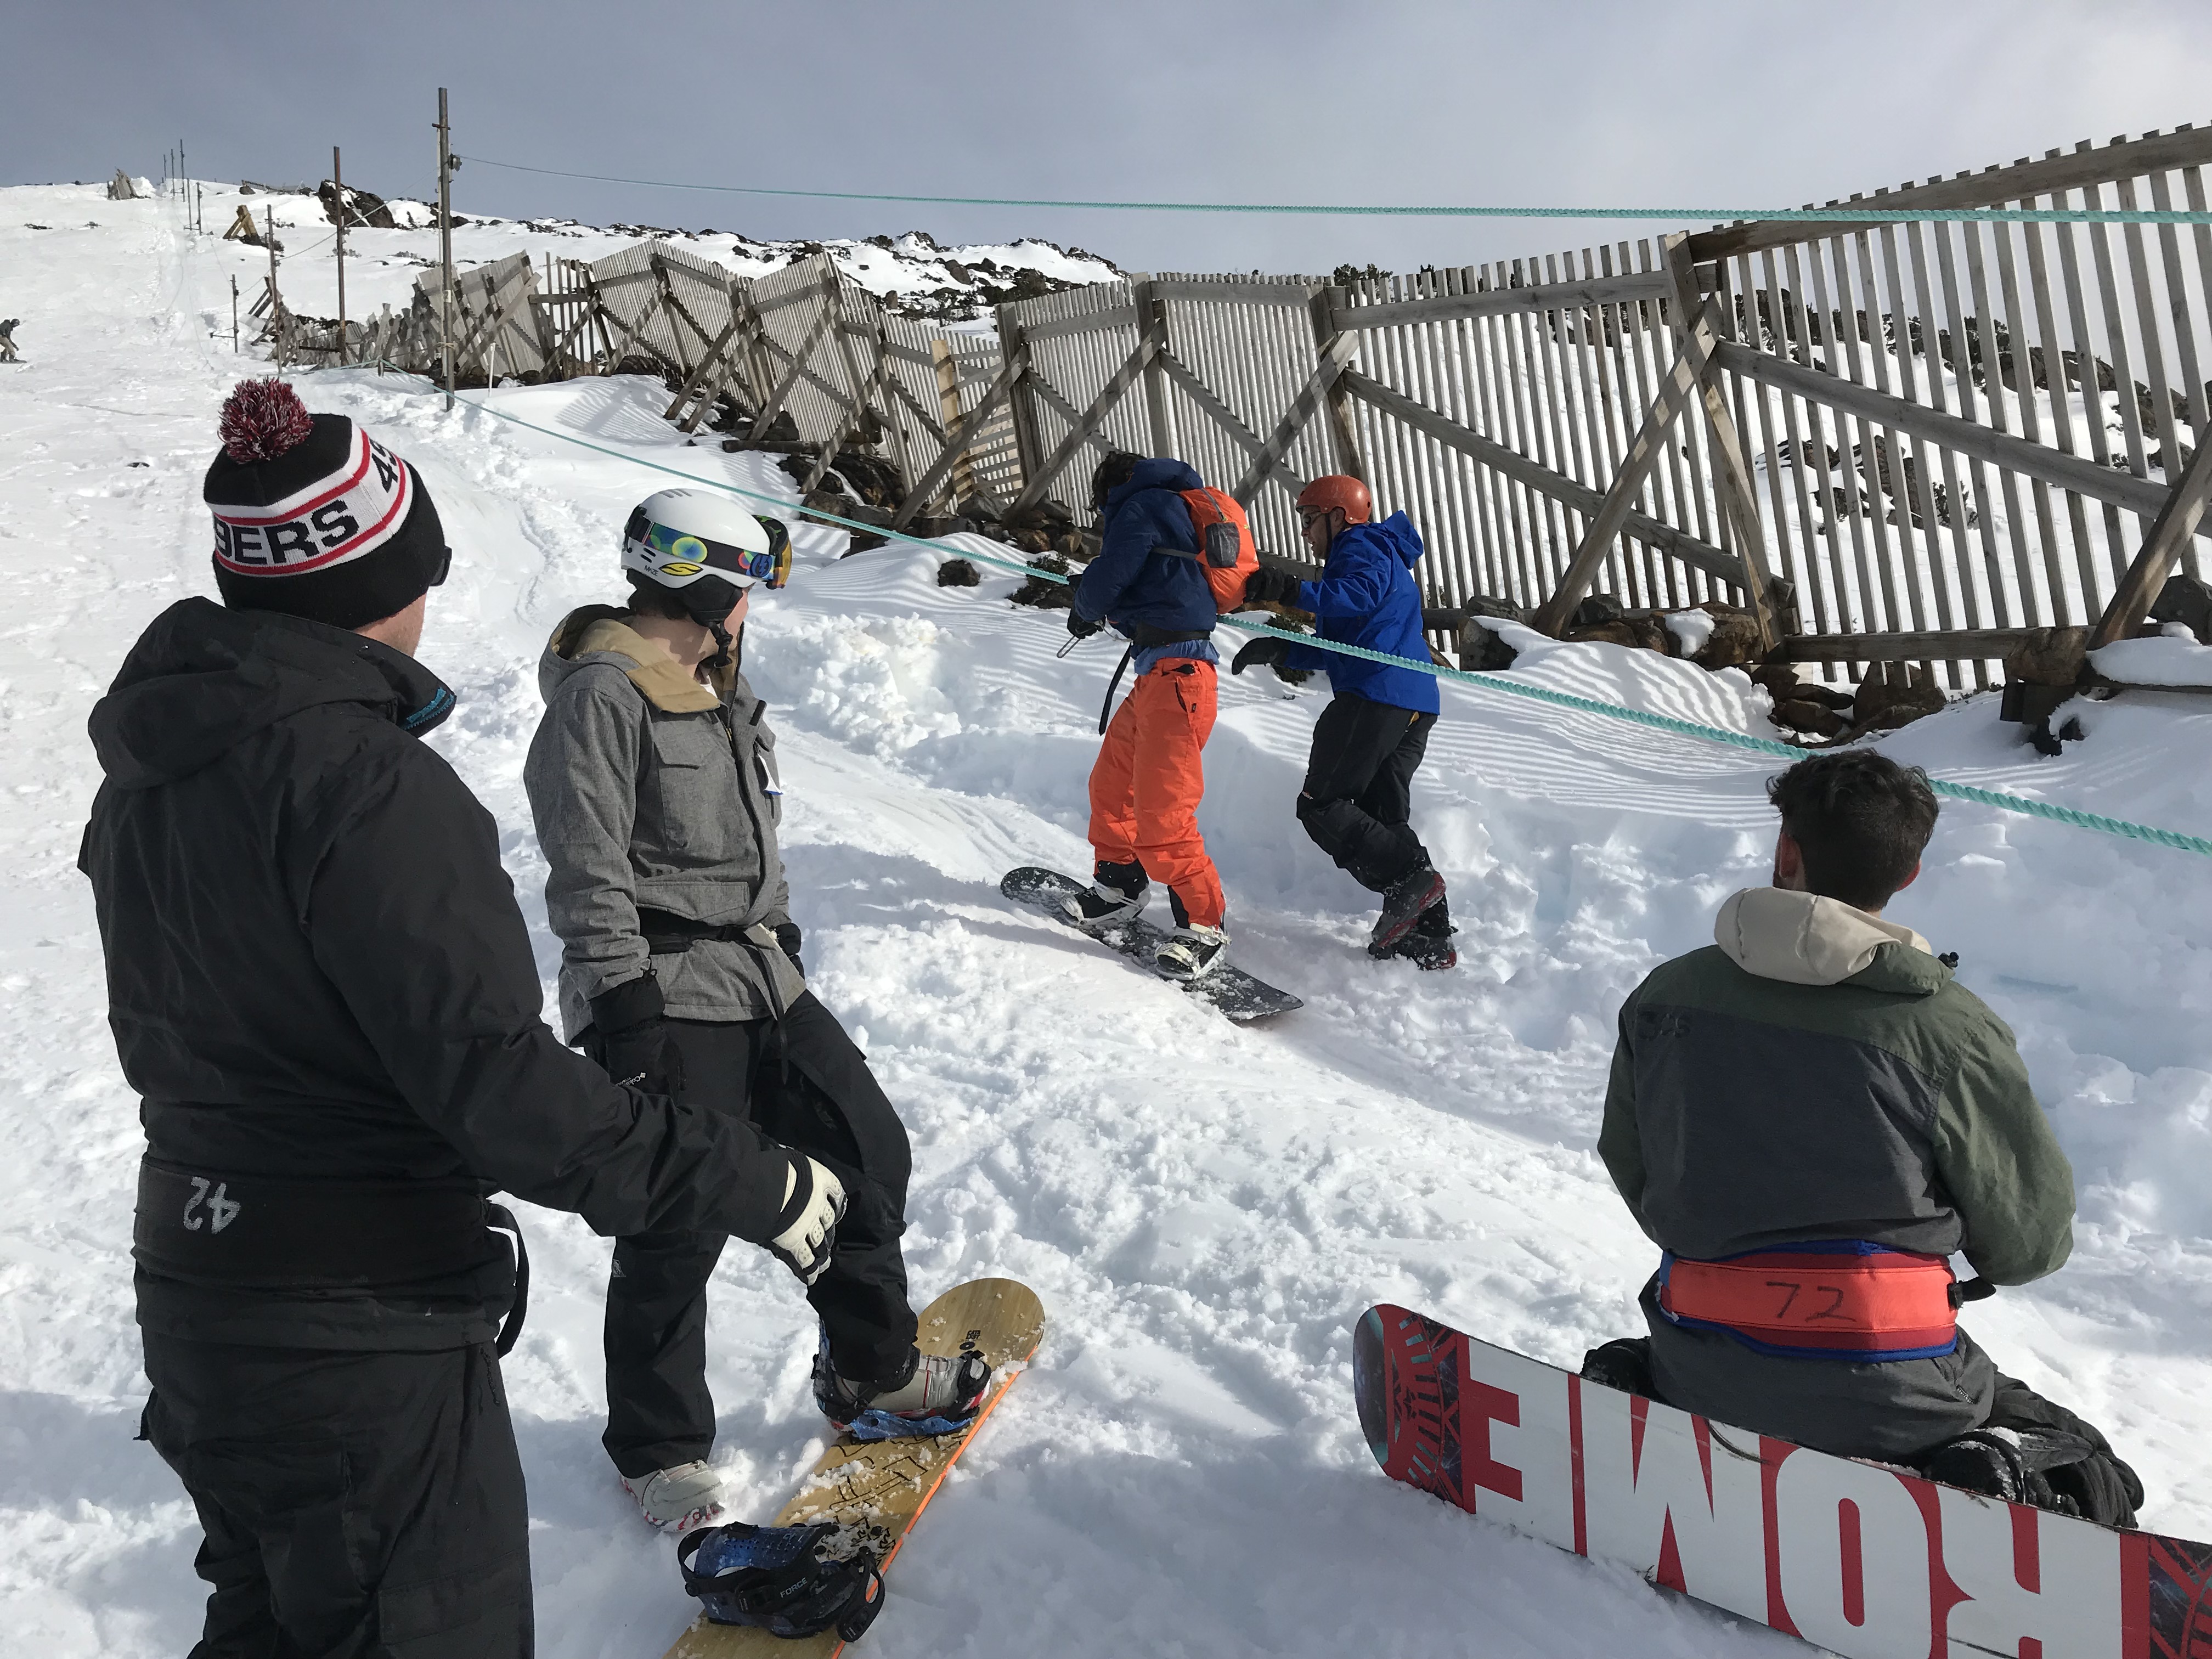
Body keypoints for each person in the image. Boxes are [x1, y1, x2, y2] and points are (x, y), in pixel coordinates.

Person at [81, 381, 847, 1659]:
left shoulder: (148, 786)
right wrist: (740, 1175)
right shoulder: (372, 787)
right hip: (356, 1335)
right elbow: (504, 1097)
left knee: (275, 1626)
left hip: (197, 1301)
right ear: (387, 574)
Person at [524, 488, 988, 1534]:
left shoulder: (715, 690)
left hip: (760, 980)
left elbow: (753, 848)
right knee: (675, 1218)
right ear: (710, 584)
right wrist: (622, 1007)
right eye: (747, 588)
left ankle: (869, 1367)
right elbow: (585, 860)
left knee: (867, 1146)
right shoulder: (605, 695)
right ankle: (658, 1445)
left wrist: (778, 934)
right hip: (664, 987)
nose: (749, 612)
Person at [1587, 750, 2142, 1526]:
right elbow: (2028, 1247)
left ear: (1787, 852)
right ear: (1908, 875)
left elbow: (1633, 1164)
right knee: (2088, 1456)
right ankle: (1992, 1469)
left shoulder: (1665, 997)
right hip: (1897, 1395)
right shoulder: (1952, 1032)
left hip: (1700, 1358)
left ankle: (1637, 1385)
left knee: (1697, 1348)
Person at [1231, 476, 1452, 969]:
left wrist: (1289, 589)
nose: (1307, 533)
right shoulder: (1380, 554)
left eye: (1311, 521)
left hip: (1375, 697)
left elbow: (1357, 595)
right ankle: (1430, 935)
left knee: (1322, 803)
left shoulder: (1361, 546)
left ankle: (1410, 883)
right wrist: (1282, 647)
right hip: (1412, 699)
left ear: (1339, 516)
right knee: (1383, 817)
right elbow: (1352, 638)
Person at [1060, 451, 1236, 980]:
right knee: (1111, 788)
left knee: (1164, 814)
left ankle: (1204, 926)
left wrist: (1085, 605)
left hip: (1180, 682)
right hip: (1159, 675)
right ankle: (1119, 888)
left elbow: (1111, 573)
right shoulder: (1167, 506)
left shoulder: (1142, 507)